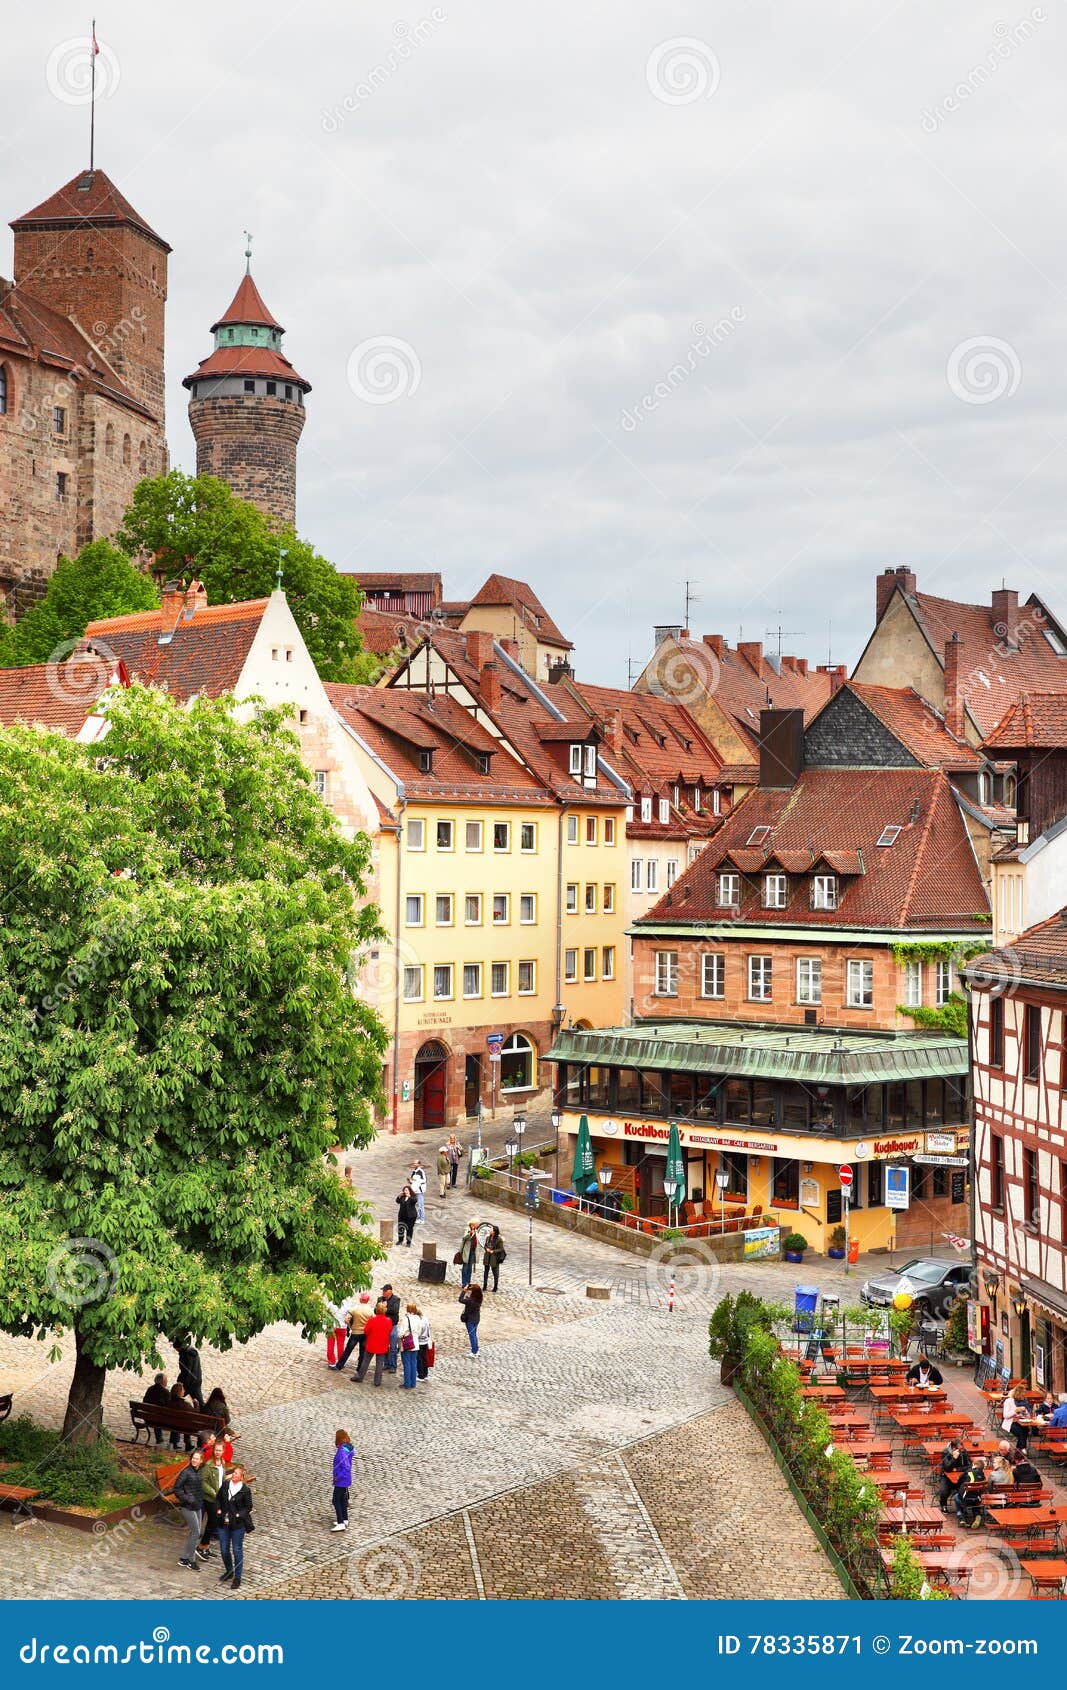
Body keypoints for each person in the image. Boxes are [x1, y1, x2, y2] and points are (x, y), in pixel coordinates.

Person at [216, 1465, 254, 1591]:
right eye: (233, 1473)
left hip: (237, 1525)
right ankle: (229, 1571)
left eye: (237, 1474)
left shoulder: (245, 1490)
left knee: (237, 1550)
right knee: (224, 1549)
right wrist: (219, 1510)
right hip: (224, 1522)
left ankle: (237, 1577)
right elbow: (218, 1499)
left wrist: (238, 1515)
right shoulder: (226, 1485)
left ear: (241, 1477)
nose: (234, 1475)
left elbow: (248, 1507)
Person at [174, 1448, 205, 1571]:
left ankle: (184, 1558)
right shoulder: (185, 1472)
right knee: (196, 1532)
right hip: (188, 1506)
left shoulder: (200, 1471)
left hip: (197, 1505)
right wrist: (187, 1498)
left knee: (195, 1532)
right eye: (193, 1458)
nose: (194, 1460)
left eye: (197, 1459)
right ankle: (191, 1561)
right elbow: (177, 1489)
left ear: (201, 1461)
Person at [199, 1437, 227, 1558]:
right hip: (210, 1498)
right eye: (216, 1450)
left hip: (219, 1496)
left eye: (219, 1450)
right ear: (213, 1451)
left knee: (213, 1523)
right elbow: (202, 1482)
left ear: (223, 1452)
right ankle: (201, 1546)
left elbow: (222, 1478)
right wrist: (212, 1492)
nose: (217, 1452)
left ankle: (205, 1547)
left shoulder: (223, 1463)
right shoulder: (208, 1465)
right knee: (213, 1522)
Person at [354, 1301, 392, 1386]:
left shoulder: (372, 1320)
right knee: (379, 1363)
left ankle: (360, 1376)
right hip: (382, 1344)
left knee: (366, 1361)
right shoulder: (388, 1321)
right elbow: (389, 1331)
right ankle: (377, 1381)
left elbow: (366, 1331)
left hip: (372, 1342)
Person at [332, 1292, 372, 1372]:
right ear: (368, 1300)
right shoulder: (370, 1310)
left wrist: (351, 1327)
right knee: (362, 1351)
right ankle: (359, 1368)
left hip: (355, 1332)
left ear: (360, 1299)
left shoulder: (355, 1308)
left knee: (348, 1350)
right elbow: (372, 1322)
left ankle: (339, 1365)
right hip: (365, 1333)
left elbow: (346, 1319)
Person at [954, 1456, 987, 1529]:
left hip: (966, 1500)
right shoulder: (983, 1476)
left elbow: (959, 1481)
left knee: (956, 1496)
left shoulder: (968, 1472)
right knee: (974, 1495)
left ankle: (961, 1518)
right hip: (978, 1500)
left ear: (974, 1465)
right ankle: (977, 1515)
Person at [174, 1335, 204, 1410]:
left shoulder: (185, 1355)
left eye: (176, 1349)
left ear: (179, 1347)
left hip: (189, 1383)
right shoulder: (192, 1352)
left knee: (175, 1399)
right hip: (196, 1380)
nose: (176, 1351)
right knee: (200, 1403)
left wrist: (182, 1386)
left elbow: (187, 1372)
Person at [332, 1429, 354, 1531]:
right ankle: (345, 1519)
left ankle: (340, 1522)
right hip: (346, 1479)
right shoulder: (347, 1448)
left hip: (341, 1480)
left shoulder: (341, 1451)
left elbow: (345, 1466)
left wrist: (338, 1477)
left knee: (336, 1500)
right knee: (342, 1499)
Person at [938, 1438, 967, 1512]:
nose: (961, 1451)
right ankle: (943, 1505)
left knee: (964, 1487)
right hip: (946, 1476)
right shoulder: (945, 1452)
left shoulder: (963, 1452)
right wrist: (954, 1458)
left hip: (959, 1476)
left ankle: (962, 1506)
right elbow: (947, 1468)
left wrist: (958, 1469)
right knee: (944, 1491)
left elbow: (968, 1466)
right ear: (953, 1448)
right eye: (959, 1449)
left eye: (961, 1449)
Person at [142, 1373, 171, 1445]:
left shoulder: (150, 1389)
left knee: (156, 1416)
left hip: (148, 1418)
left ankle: (159, 1438)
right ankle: (173, 1443)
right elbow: (169, 1407)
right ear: (163, 1381)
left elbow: (144, 1401)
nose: (167, 1382)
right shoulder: (165, 1392)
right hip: (160, 1420)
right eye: (166, 1380)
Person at [399, 1303, 422, 1389]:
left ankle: (407, 1383)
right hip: (415, 1342)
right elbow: (420, 1331)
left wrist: (400, 1336)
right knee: (413, 1363)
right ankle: (413, 1383)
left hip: (407, 1343)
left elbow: (401, 1332)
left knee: (407, 1363)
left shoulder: (405, 1319)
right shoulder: (418, 1318)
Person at [1002, 1383, 1031, 1449]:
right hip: (1011, 1422)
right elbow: (1005, 1416)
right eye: (1022, 1395)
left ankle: (1019, 1450)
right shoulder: (1008, 1401)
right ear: (1018, 1394)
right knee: (1021, 1433)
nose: (1023, 1397)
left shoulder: (1025, 1401)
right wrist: (1015, 1411)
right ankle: (1021, 1450)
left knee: (1026, 1431)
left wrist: (1025, 1411)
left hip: (1021, 1421)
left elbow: (1028, 1416)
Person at [168, 1381, 194, 1451]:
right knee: (187, 1423)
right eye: (183, 1389)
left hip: (169, 1424)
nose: (184, 1391)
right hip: (182, 1426)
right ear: (179, 1392)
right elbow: (195, 1412)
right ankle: (188, 1444)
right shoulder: (184, 1404)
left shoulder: (169, 1401)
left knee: (180, 1421)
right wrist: (196, 1403)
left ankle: (174, 1443)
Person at [381, 1284, 401, 1373]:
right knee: (384, 1346)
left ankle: (393, 1365)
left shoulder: (396, 1299)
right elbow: (375, 1310)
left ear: (389, 1291)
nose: (383, 1293)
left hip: (393, 1325)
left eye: (384, 1291)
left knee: (393, 1347)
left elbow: (395, 1311)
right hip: (384, 1326)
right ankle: (386, 1363)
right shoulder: (380, 1299)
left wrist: (384, 1308)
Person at [459, 1283, 483, 1357]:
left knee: (472, 1336)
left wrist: (464, 1291)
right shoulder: (479, 1299)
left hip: (470, 1320)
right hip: (476, 1319)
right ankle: (476, 1350)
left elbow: (460, 1299)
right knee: (474, 1335)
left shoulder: (470, 1301)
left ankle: (474, 1352)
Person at [482, 1224, 506, 1293]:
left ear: (494, 1231)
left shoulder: (499, 1239)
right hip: (487, 1257)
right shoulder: (488, 1238)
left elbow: (501, 1249)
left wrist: (493, 1251)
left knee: (495, 1273)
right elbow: (485, 1245)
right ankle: (484, 1286)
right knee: (485, 1272)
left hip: (494, 1258)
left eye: (491, 1229)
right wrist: (486, 1249)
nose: (490, 1230)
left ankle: (495, 1286)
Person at [459, 1221, 480, 1289]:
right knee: (465, 1266)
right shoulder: (467, 1230)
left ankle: (468, 1282)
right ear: (472, 1224)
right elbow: (464, 1238)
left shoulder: (477, 1231)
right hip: (467, 1251)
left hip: (473, 1251)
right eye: (476, 1224)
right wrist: (470, 1234)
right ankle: (464, 1283)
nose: (477, 1225)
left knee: (470, 1268)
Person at [417, 1308, 433, 1381]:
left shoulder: (419, 1321)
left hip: (420, 1342)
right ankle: (425, 1374)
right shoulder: (425, 1319)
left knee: (419, 1359)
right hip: (426, 1341)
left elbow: (419, 1333)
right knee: (424, 1358)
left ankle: (421, 1375)